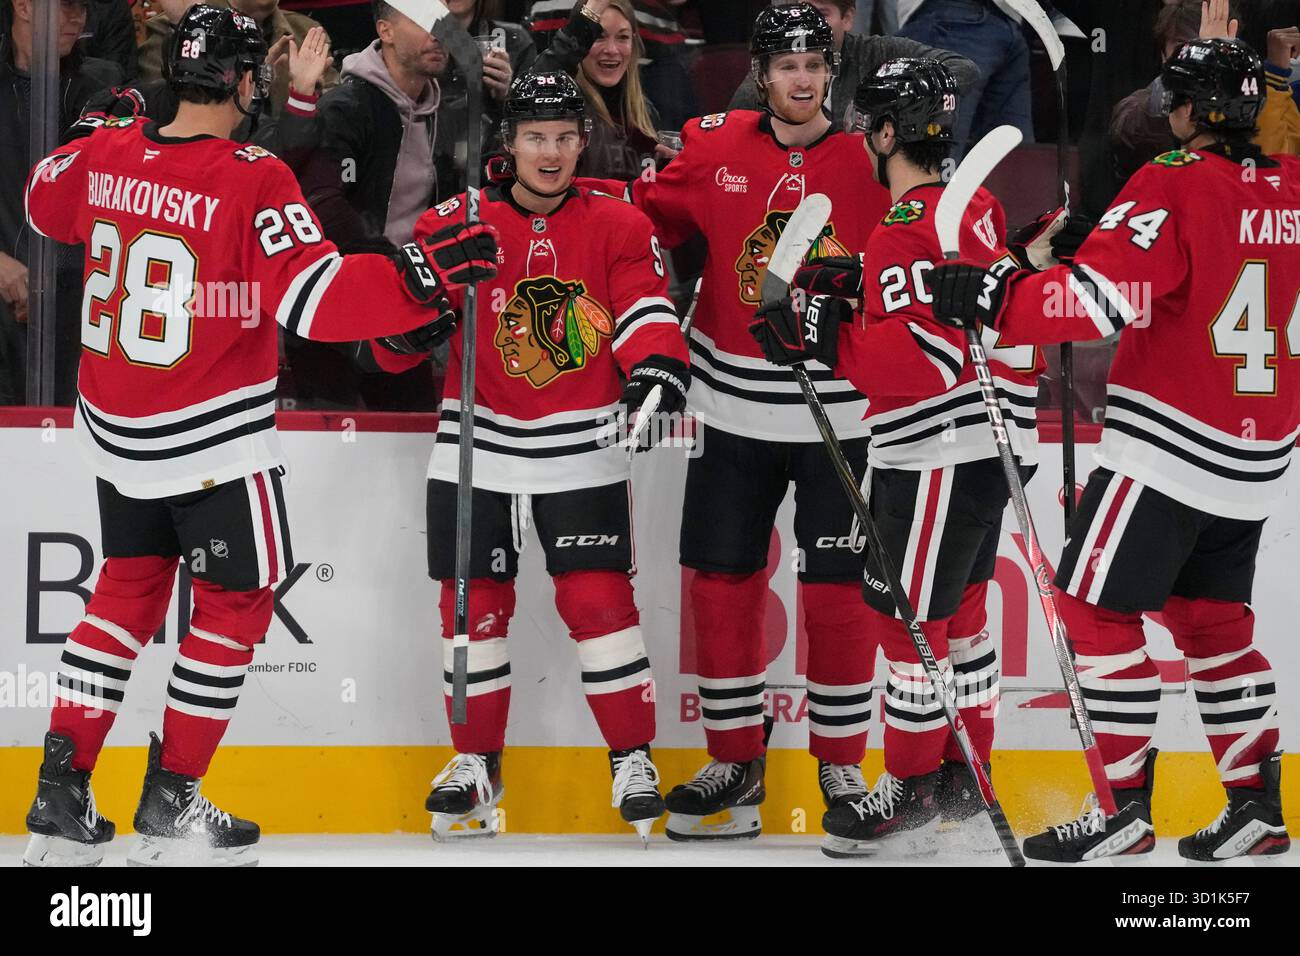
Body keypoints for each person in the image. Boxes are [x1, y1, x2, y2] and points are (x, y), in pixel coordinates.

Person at [20, 3, 481, 867]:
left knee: (124, 590)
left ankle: (60, 788)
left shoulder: (113, 151)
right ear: (237, 79)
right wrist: (421, 278)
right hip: (210, 440)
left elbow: (44, 205)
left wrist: (88, 130)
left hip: (116, 430)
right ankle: (172, 799)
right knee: (236, 602)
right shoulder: (252, 173)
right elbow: (318, 304)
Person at [926, 37, 1296, 863]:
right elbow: (1205, 258)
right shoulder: (1293, 187)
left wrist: (997, 290)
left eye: (1175, 97)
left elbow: (1087, 304)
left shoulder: (1169, 181)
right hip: (1258, 458)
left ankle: (1121, 806)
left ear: (1196, 111)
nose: (1163, 107)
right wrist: (1104, 239)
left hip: (1170, 451)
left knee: (1093, 613)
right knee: (1212, 623)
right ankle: (1257, 804)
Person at [587, 2, 893, 841]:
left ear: (831, 71)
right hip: (731, 408)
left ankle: (839, 764)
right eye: (786, 66)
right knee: (720, 585)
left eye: (814, 65)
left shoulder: (871, 157)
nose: (802, 79)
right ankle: (735, 762)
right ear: (761, 73)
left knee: (836, 595)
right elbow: (641, 218)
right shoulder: (714, 145)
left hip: (840, 412)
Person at [370, 70, 688, 843]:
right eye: (536, 138)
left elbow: (645, 307)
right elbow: (387, 347)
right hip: (476, 451)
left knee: (599, 609)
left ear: (585, 142)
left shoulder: (616, 221)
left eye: (565, 138)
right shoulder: (456, 221)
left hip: (581, 449)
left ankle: (632, 758)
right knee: (471, 613)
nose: (552, 153)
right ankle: (477, 760)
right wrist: (406, 330)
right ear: (507, 146)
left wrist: (656, 363)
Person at [750, 58, 1053, 857]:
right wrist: (856, 282)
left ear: (884, 133)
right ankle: (962, 772)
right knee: (961, 621)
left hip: (938, 454)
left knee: (905, 623)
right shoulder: (974, 207)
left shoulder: (903, 228)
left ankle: (912, 786)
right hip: (995, 447)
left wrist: (821, 329)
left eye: (867, 124)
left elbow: (921, 356)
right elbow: (940, 305)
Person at [1, 0, 121, 407]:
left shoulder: (100, 85)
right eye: (67, 5)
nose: (79, 17)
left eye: (84, 7)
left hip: (74, 307)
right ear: (24, 6)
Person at [727, 0, 980, 118]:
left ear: (847, 19)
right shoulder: (776, 65)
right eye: (804, 11)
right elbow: (733, 129)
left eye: (821, 14)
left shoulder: (878, 51)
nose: (810, 24)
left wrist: (897, 92)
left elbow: (964, 70)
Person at [530, 0, 663, 179]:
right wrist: (589, 14)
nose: (612, 50)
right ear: (581, 42)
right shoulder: (562, 103)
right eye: (598, 36)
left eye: (622, 37)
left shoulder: (647, 113)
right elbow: (535, 84)